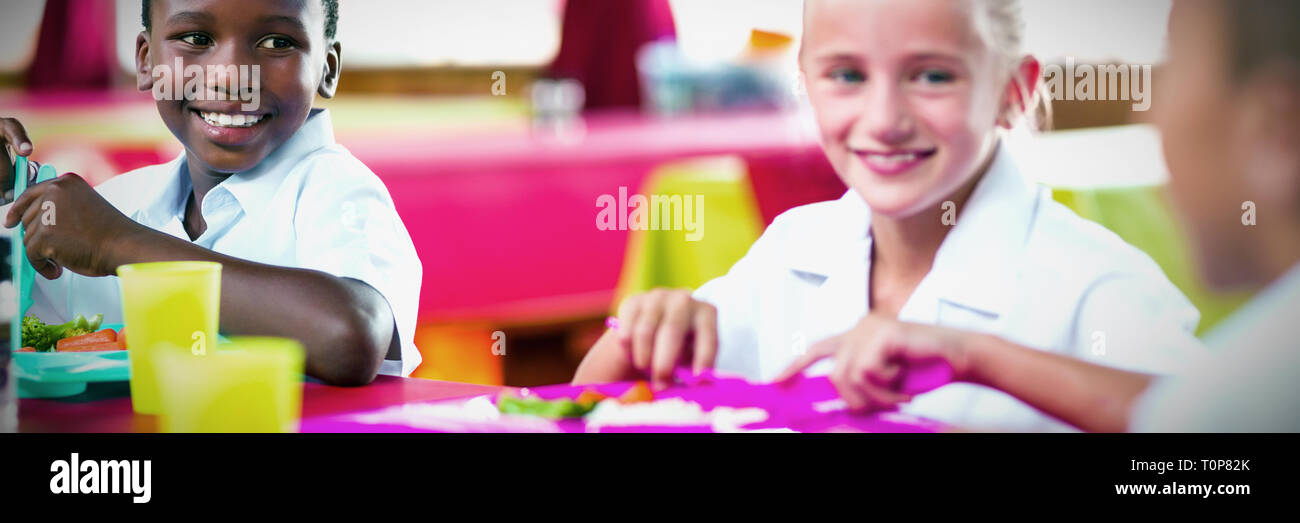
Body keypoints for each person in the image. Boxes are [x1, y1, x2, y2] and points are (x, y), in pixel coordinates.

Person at [575, 0, 1207, 432]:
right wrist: (638, 338)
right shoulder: (793, 252)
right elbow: (581, 405)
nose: (884, 120)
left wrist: (973, 356)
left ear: (1013, 92)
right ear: (805, 82)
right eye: (846, 75)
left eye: (932, 76)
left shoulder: (1094, 286)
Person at [0, 0, 422, 385]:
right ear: (147, 62)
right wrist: (10, 203)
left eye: (278, 42)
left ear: (326, 69)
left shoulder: (335, 189)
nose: (230, 76)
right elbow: (22, 338)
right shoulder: (117, 203)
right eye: (196, 39)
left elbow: (352, 336)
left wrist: (118, 244)